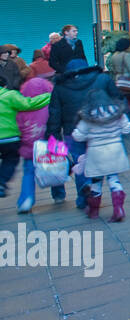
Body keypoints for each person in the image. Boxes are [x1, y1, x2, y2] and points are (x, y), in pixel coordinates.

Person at [47, 57, 121, 209]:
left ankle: (84, 196)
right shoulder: (103, 79)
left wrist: (53, 136)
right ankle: (101, 190)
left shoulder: (60, 86)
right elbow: (118, 99)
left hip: (72, 131)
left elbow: (54, 113)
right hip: (99, 127)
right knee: (101, 160)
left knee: (80, 162)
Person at [72, 88, 130, 222]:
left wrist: (89, 135)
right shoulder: (118, 113)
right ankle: (119, 209)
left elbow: (78, 136)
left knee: (96, 181)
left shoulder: (88, 117)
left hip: (96, 153)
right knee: (113, 178)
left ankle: (93, 211)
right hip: (115, 150)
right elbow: (127, 129)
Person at [1, 68, 53, 203]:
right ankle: (1, 182)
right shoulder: (10, 96)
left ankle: (24, 199)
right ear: (5, 85)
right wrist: (49, 96)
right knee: (11, 159)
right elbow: (27, 104)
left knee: (25, 168)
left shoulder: (14, 100)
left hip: (18, 142)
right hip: (10, 138)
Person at [17, 66, 64, 212]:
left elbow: (18, 125)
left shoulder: (22, 106)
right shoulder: (51, 104)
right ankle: (58, 194)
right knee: (55, 166)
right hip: (49, 142)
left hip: (29, 144)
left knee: (28, 171)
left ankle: (26, 199)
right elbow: (57, 122)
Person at [107, 37, 130, 129]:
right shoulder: (127, 55)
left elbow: (111, 68)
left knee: (128, 102)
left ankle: (129, 119)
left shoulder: (114, 55)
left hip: (119, 81)